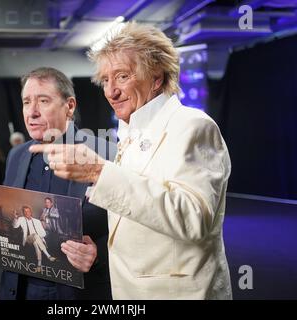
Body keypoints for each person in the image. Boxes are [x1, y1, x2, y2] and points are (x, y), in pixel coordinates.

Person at [30, 22, 232, 300]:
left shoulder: (193, 126)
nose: (111, 92)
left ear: (157, 77)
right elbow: (134, 217)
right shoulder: (130, 134)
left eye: (122, 76)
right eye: (105, 81)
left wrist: (99, 172)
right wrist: (97, 251)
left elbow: (193, 219)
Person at [0, 67, 116, 300]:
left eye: (43, 101)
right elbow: (13, 220)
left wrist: (97, 257)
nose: (32, 112)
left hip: (77, 292)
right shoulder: (17, 155)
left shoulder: (104, 152)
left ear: (69, 106)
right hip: (19, 287)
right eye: (27, 102)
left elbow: (126, 228)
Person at [14, 205, 57, 272]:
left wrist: (38, 237)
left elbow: (43, 233)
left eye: (28, 211)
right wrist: (15, 218)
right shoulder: (21, 219)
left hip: (37, 240)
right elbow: (15, 226)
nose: (26, 213)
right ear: (23, 213)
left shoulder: (37, 221)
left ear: (31, 212)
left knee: (36, 242)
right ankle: (48, 256)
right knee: (34, 236)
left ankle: (39, 265)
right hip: (27, 240)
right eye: (25, 212)